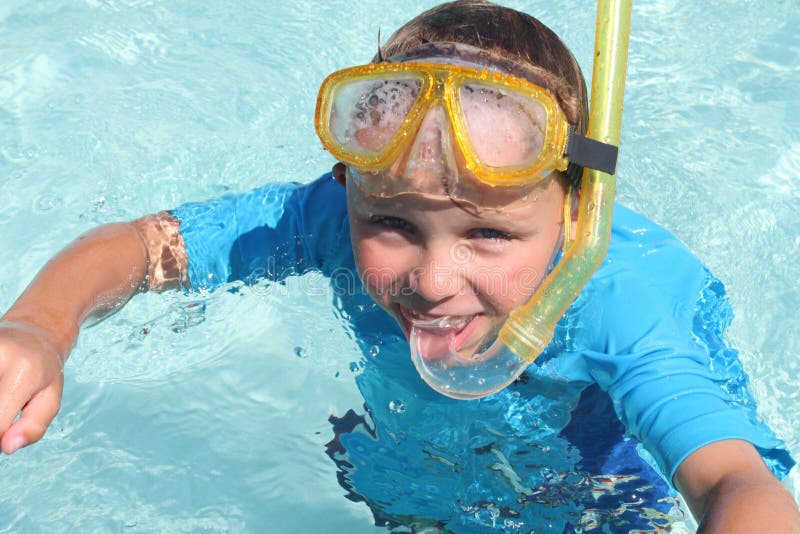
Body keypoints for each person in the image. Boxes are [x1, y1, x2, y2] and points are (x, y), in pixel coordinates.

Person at [0, 0, 797, 531]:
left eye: (487, 234)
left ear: (579, 213)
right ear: (347, 186)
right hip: (416, 451)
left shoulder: (623, 297)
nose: (433, 280)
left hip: (597, 473)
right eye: (391, 223)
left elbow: (731, 480)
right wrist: (38, 325)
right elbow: (143, 247)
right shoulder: (327, 216)